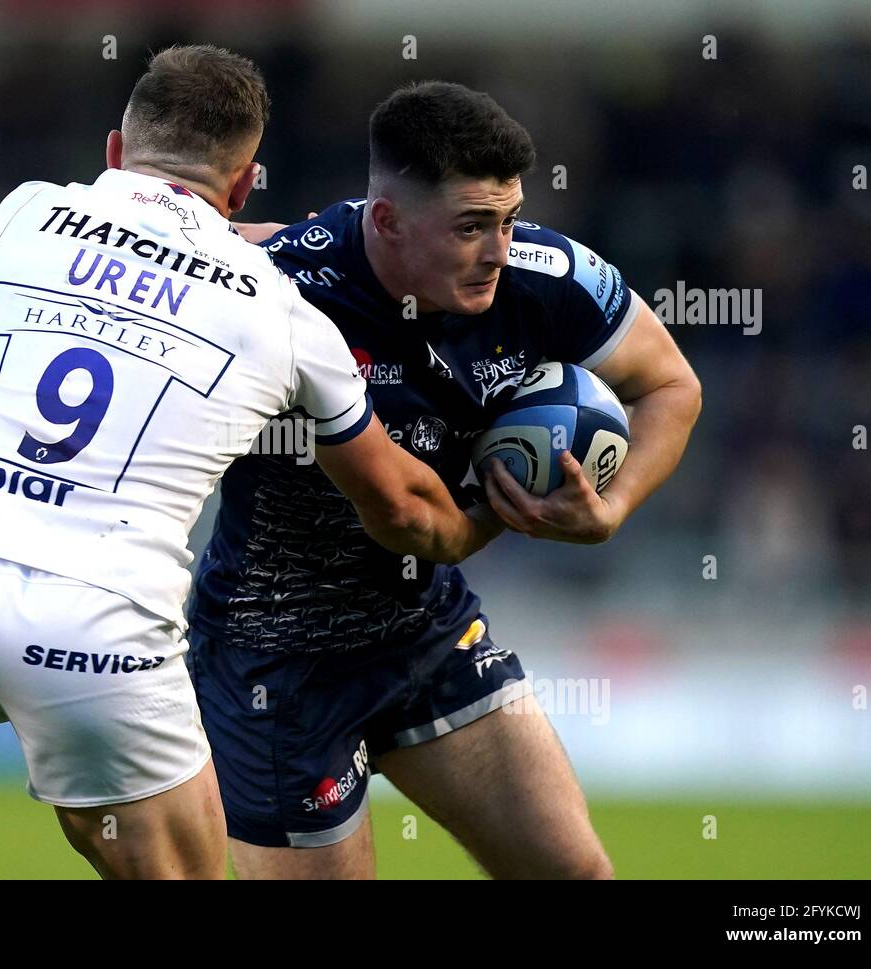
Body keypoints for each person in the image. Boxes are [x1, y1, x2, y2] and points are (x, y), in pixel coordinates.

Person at [0, 52, 493, 881]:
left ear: (115, 149)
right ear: (244, 187)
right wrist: (494, 512)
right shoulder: (286, 316)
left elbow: (129, 249)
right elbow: (405, 511)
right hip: (99, 619)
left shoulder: (23, 216)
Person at [187, 81, 702, 878]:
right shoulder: (276, 294)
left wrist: (615, 505)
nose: (498, 248)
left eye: (508, 217)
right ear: (386, 220)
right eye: (471, 227)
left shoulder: (546, 275)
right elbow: (410, 518)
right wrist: (493, 521)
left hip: (421, 629)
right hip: (272, 661)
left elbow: (671, 385)